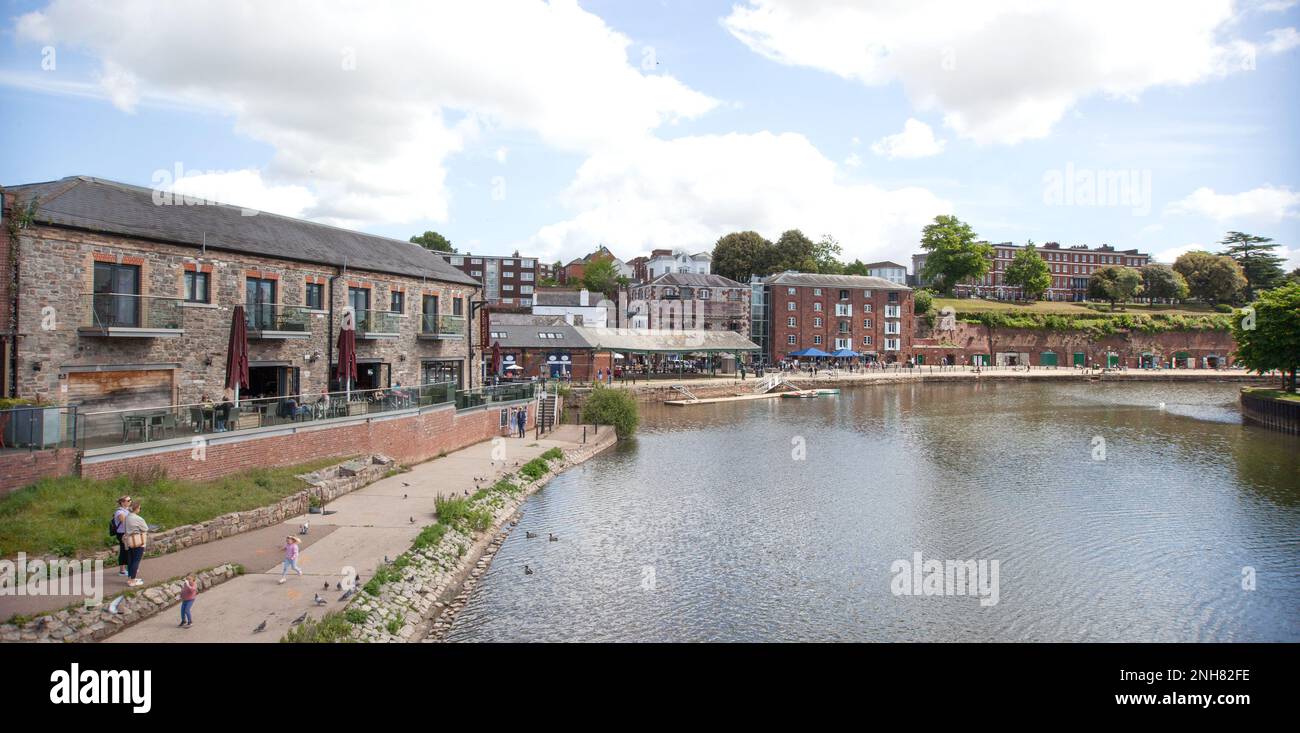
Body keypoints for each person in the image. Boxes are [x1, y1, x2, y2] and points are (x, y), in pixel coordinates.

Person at [120, 500, 148, 587]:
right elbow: (145, 528)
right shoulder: (138, 518)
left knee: (131, 560)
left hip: (128, 542)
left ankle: (130, 578)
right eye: (140, 508)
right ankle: (132, 581)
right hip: (137, 541)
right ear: (136, 509)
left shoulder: (126, 517)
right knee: (136, 561)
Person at [111, 495, 131, 576]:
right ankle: (122, 571)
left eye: (130, 500)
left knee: (126, 550)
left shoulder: (127, 510)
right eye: (128, 500)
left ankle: (124, 569)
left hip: (126, 533)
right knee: (124, 551)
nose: (130, 501)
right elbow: (125, 523)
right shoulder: (120, 512)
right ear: (123, 502)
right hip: (122, 534)